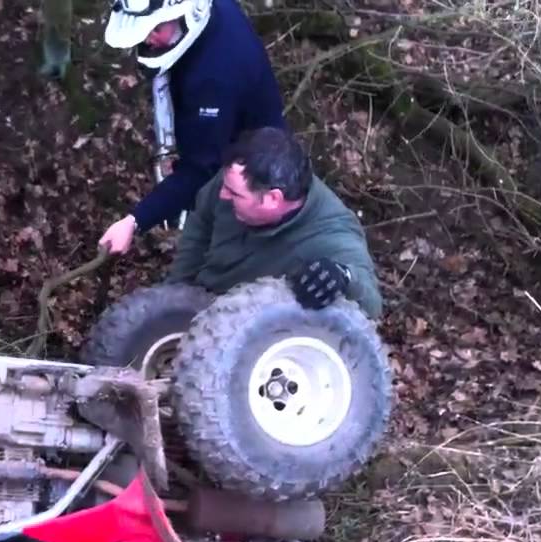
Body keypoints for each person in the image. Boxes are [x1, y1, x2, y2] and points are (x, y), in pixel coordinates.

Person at [98, 0, 286, 255]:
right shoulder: (213, 11)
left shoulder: (214, 80)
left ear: (187, 17)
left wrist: (134, 221)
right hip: (244, 139)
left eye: (155, 29)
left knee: (226, 259)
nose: (147, 39)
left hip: (253, 175)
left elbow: (200, 170)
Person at [165, 125, 383, 318]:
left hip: (252, 331)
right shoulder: (234, 180)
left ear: (272, 198)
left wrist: (343, 278)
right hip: (203, 302)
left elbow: (372, 306)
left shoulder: (331, 235)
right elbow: (200, 223)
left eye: (234, 193)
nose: (222, 195)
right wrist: (176, 293)